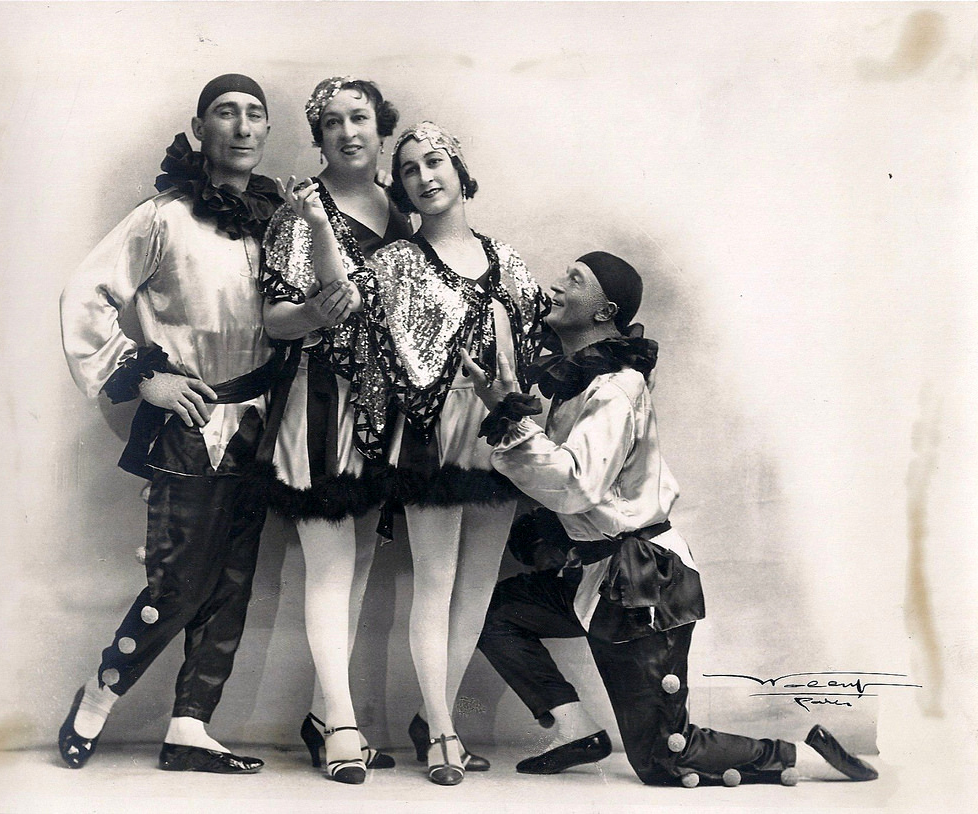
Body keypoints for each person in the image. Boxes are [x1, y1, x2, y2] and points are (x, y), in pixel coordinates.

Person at [463, 252, 880, 787]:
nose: (556, 284)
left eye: (575, 279)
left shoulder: (615, 387)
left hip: (641, 583)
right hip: (597, 574)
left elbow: (575, 485)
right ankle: (575, 731)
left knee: (664, 759)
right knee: (493, 612)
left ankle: (806, 755)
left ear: (604, 311)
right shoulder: (582, 385)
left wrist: (507, 417)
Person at [287, 122, 547, 785]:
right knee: (434, 584)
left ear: (460, 170)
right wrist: (314, 224)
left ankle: (436, 721)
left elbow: (534, 349)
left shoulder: (510, 262)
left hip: (497, 442)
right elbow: (340, 307)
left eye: (435, 162)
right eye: (409, 170)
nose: (425, 176)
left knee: (476, 589)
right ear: (401, 186)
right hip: (431, 441)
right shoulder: (394, 263)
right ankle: (445, 734)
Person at [57, 74, 282, 774]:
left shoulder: (283, 222)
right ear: (198, 128)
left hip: (263, 420)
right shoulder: (165, 217)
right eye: (225, 113)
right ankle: (100, 692)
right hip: (192, 420)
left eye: (254, 115)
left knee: (233, 579)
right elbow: (86, 295)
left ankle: (191, 726)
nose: (242, 127)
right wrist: (145, 377)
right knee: (178, 581)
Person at [258, 77, 411, 784]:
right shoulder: (300, 213)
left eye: (361, 119)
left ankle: (325, 716)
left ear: (381, 128)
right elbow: (273, 320)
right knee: (329, 566)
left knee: (358, 570)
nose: (349, 132)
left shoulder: (404, 209)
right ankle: (345, 726)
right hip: (321, 402)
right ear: (317, 137)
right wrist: (320, 313)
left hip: (387, 408)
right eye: (332, 124)